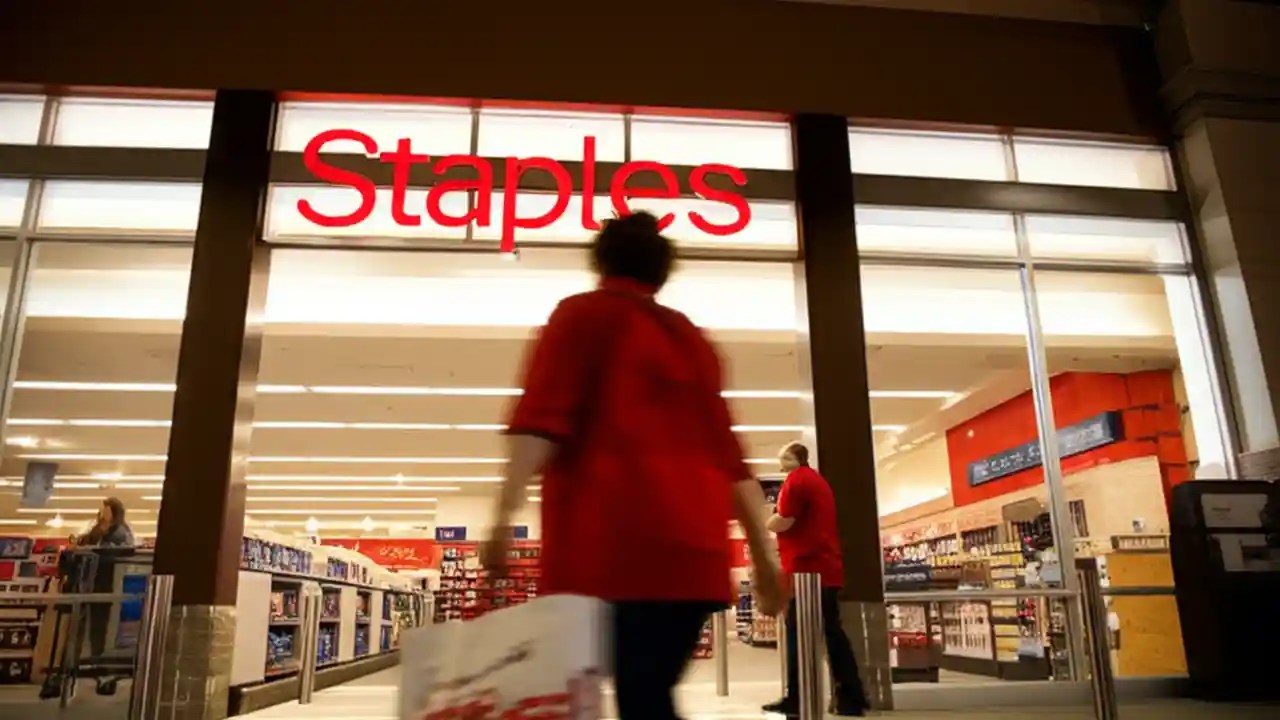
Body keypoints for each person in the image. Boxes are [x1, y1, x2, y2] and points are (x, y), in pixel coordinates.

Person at [481, 212, 785, 720]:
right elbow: (729, 457)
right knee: (649, 696)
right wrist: (764, 558)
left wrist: (501, 519)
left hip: (607, 551)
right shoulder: (691, 339)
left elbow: (540, 425)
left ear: (600, 260)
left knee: (585, 698)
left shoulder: (580, 316)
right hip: (690, 560)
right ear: (662, 273)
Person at [764, 442, 869, 717]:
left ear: (797, 458)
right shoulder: (818, 482)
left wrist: (768, 521)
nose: (780, 461)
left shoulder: (797, 481)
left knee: (798, 632)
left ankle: (797, 697)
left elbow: (783, 520)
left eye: (784, 456)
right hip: (826, 569)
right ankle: (851, 695)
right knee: (832, 632)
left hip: (807, 570)